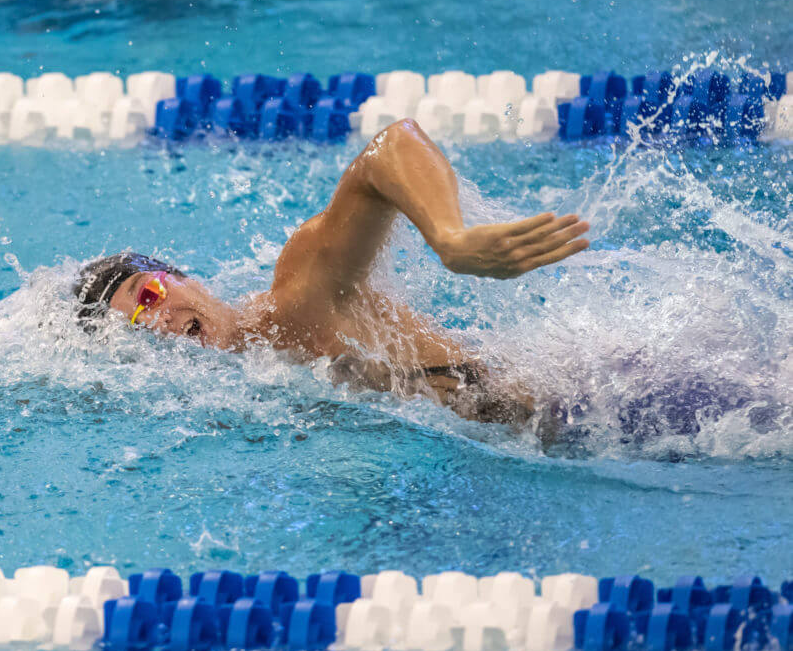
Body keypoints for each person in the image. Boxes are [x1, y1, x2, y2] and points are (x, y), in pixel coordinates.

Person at [74, 119, 590, 429]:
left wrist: (450, 239)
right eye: (138, 326)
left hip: (592, 406)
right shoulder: (248, 394)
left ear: (186, 278)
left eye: (149, 294)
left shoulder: (297, 297)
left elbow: (391, 148)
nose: (158, 319)